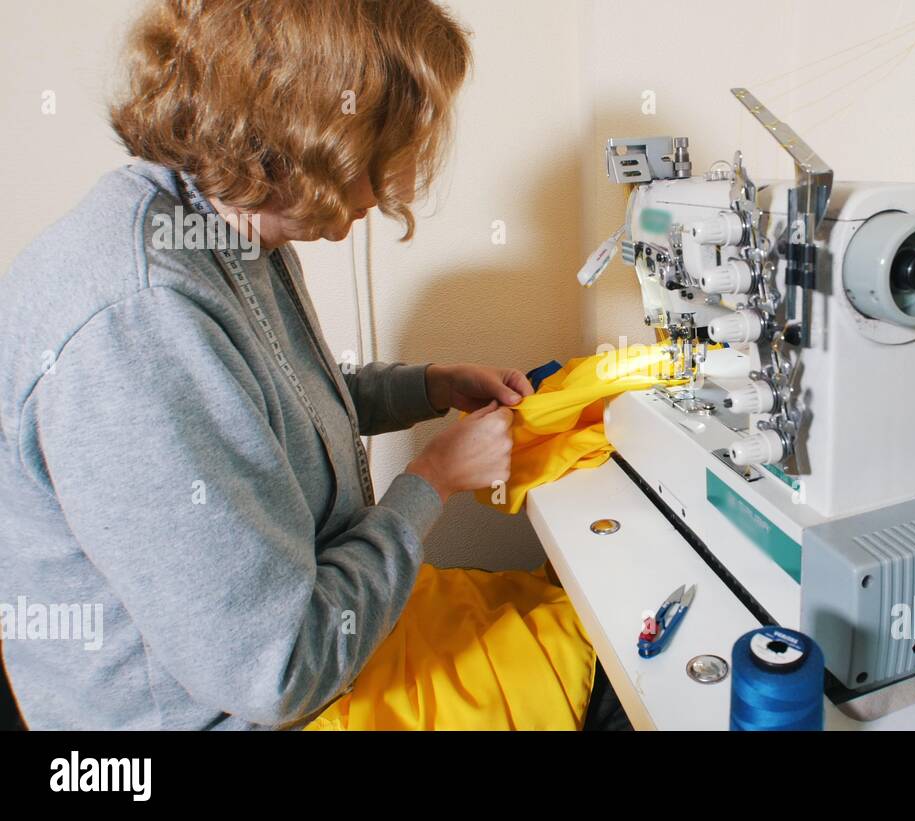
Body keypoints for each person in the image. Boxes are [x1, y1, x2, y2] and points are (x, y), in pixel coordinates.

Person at [0, 0, 534, 729]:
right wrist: (431, 481)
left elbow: (261, 410)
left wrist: (426, 385)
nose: (384, 191)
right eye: (383, 147)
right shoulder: (138, 322)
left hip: (308, 665)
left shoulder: (219, 223)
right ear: (313, 132)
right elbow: (276, 669)